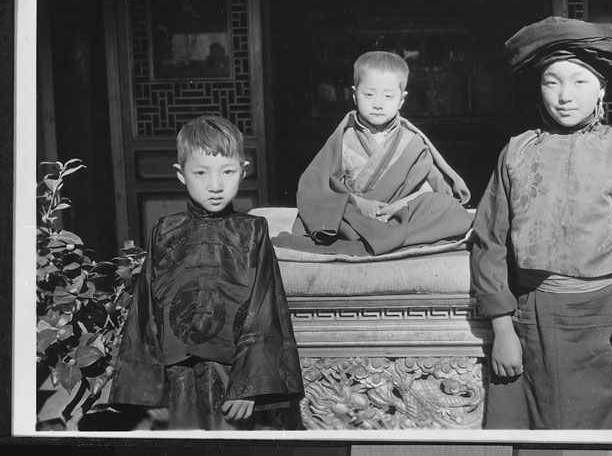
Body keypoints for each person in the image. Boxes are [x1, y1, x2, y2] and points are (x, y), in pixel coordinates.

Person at [470, 16, 612, 429]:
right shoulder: (515, 153)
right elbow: (489, 242)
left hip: (605, 325)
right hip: (533, 322)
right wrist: (503, 330)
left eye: (579, 82)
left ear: (602, 88)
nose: (564, 96)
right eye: (551, 82)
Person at [109, 115, 304, 430]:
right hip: (177, 380)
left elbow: (264, 308)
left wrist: (248, 387)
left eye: (228, 171)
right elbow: (145, 311)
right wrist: (149, 392)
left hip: (231, 378)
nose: (215, 185)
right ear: (181, 174)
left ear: (244, 169)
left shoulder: (251, 231)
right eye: (201, 173)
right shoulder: (165, 231)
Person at [275, 50, 473, 257]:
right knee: (329, 214)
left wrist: (398, 206)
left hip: (398, 213)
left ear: (402, 100)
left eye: (388, 96)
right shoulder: (344, 138)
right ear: (354, 94)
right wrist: (359, 203)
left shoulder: (411, 142)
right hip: (357, 216)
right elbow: (319, 186)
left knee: (446, 208)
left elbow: (428, 189)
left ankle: (386, 236)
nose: (378, 103)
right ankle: (390, 239)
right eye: (369, 94)